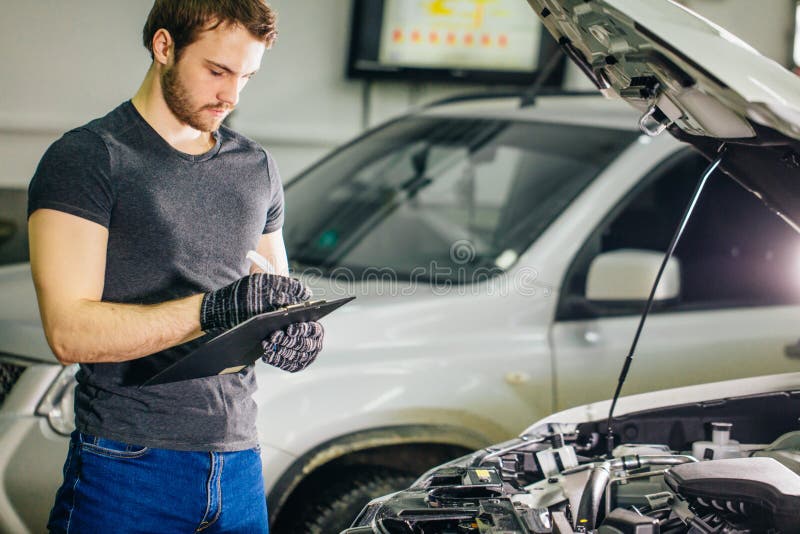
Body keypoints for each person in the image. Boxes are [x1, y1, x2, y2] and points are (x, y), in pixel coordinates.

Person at [27, 1, 323, 532]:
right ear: (164, 46)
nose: (231, 96)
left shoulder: (255, 167)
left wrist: (295, 331)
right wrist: (213, 309)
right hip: (127, 466)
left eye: (247, 77)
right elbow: (69, 332)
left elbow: (274, 294)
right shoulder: (90, 158)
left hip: (239, 464)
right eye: (217, 71)